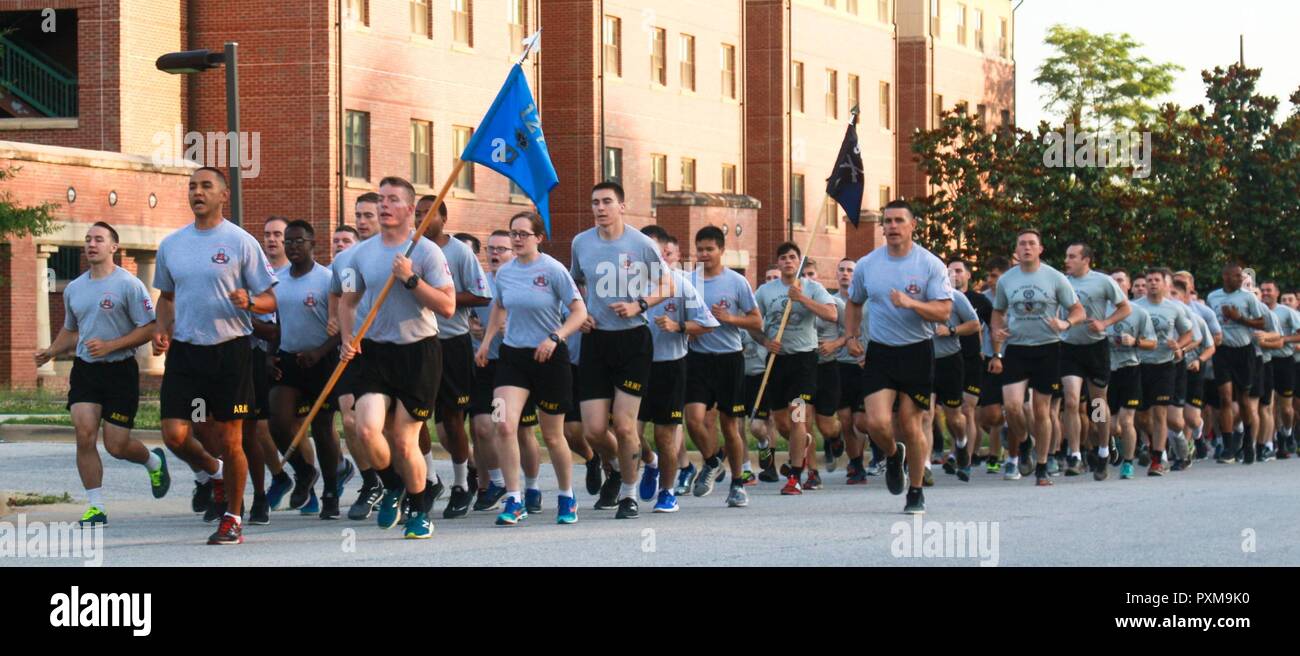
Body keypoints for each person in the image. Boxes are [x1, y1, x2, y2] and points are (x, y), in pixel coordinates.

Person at [153, 166, 278, 545]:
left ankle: (233, 518)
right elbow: (166, 297)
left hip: (230, 352)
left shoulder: (241, 242)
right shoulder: (172, 245)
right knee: (176, 434)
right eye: (192, 186)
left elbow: (272, 297)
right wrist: (161, 328)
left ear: (224, 195)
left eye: (206, 186)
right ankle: (214, 471)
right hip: (188, 354)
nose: (197, 192)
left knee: (230, 438)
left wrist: (251, 301)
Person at [338, 176, 456, 539]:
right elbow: (347, 300)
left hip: (419, 352)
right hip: (375, 352)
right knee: (365, 428)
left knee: (405, 441)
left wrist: (409, 279)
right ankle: (392, 485)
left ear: (409, 209)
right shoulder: (361, 252)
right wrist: (347, 337)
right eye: (382, 199)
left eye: (393, 199)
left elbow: (448, 306)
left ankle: (420, 509)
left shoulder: (425, 252)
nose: (384, 205)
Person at [36, 222, 169, 526]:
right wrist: (52, 351)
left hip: (120, 370)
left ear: (113, 247)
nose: (91, 244)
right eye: (87, 239)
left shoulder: (129, 285)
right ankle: (96, 506)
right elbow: (72, 331)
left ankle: (152, 461)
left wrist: (111, 345)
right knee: (84, 434)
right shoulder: (74, 288)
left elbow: (149, 328)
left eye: (99, 239)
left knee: (116, 445)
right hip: (86, 371)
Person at [569, 182, 675, 519]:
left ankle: (629, 494)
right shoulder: (581, 242)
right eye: (595, 202)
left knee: (626, 427)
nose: (600, 208)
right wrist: (580, 314)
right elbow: (574, 284)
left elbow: (668, 285)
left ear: (622, 206)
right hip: (596, 341)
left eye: (607, 202)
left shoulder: (641, 244)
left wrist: (639, 304)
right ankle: (617, 468)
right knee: (594, 430)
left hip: (632, 341)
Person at [475, 212, 588, 525]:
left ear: (539, 237)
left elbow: (579, 312)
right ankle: (514, 499)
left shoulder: (553, 270)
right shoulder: (505, 273)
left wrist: (556, 337)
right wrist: (486, 342)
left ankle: (567, 496)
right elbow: (498, 305)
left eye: (525, 233)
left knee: (553, 436)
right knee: (502, 423)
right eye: (514, 233)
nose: (518, 239)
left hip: (550, 358)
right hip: (513, 357)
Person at [844, 200, 953, 513]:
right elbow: (854, 303)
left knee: (910, 423)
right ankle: (893, 455)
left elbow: (944, 310)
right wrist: (852, 337)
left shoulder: (930, 264)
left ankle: (916, 491)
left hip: (917, 351)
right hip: (880, 351)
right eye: (887, 221)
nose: (892, 227)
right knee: (875, 422)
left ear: (912, 225)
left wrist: (911, 304)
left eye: (898, 221)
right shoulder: (868, 264)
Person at [988, 228, 1085, 486]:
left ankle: (1042, 465)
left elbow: (1078, 310)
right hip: (1017, 348)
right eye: (1022, 244)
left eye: (1032, 243)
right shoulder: (1007, 280)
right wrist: (997, 333)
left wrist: (1066, 324)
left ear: (1040, 249)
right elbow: (997, 312)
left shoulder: (1055, 278)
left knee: (1042, 411)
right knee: (1012, 407)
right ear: (1016, 250)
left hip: (1048, 348)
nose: (1027, 248)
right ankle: (1025, 442)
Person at [417, 195, 492, 518]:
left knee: (451, 419)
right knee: (413, 416)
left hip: (452, 342)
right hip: (417, 343)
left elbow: (481, 294)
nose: (421, 219)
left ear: (443, 218)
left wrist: (439, 296)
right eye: (417, 213)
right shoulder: (409, 249)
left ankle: (462, 484)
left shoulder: (459, 252)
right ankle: (430, 478)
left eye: (427, 213)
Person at [265, 220, 344, 518]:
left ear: (313, 244)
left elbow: (343, 326)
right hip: (289, 359)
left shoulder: (327, 279)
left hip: (322, 361)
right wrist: (269, 356)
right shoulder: (277, 280)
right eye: (289, 241)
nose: (293, 246)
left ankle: (332, 492)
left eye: (299, 241)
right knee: (278, 421)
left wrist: (320, 351)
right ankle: (304, 470)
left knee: (323, 428)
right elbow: (277, 324)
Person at [682, 225, 762, 507]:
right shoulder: (688, 281)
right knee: (693, 418)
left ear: (721, 251)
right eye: (700, 249)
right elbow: (681, 314)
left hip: (729, 358)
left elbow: (756, 321)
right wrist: (687, 328)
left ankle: (738, 484)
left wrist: (729, 319)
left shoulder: (737, 283)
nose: (704, 254)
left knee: (730, 425)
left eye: (709, 249)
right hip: (697, 357)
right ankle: (713, 459)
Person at [753, 242, 839, 497]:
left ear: (799, 262)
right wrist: (764, 340)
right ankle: (802, 443)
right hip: (777, 360)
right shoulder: (765, 291)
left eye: (792, 257)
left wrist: (801, 298)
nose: (788, 261)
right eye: (783, 258)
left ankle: (795, 477)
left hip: (804, 361)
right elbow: (752, 322)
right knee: (781, 422)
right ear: (778, 263)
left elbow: (831, 314)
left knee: (798, 414)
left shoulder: (812, 288)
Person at [331, 193, 384, 520]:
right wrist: (340, 329)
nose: (363, 221)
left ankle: (410, 480)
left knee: (390, 426)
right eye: (359, 215)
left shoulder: (394, 254)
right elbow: (338, 294)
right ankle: (371, 480)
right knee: (350, 419)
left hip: (389, 346)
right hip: (356, 348)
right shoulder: (345, 259)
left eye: (369, 215)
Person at [1059, 242, 1130, 476]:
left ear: (1086, 260)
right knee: (1070, 401)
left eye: (1072, 257)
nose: (1067, 261)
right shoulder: (1062, 281)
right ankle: (1075, 455)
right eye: (1066, 256)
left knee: (1098, 405)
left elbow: (1124, 308)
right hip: (1070, 347)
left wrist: (1105, 323)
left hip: (1095, 347)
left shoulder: (1103, 281)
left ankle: (1102, 450)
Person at [1206, 263, 1267, 464]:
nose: (1241, 278)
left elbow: (1261, 323)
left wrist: (1239, 318)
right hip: (1222, 351)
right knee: (1224, 398)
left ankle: (1248, 442)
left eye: (1241, 275)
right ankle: (1229, 446)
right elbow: (1209, 322)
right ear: (1225, 276)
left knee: (1243, 400)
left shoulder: (1248, 297)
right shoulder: (1213, 297)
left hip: (1244, 351)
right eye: (1236, 275)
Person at [1106, 270, 1156, 479]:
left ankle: (1128, 463)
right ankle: (1111, 444)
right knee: (1105, 422)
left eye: (1120, 281)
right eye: (1113, 281)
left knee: (1127, 421)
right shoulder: (1101, 311)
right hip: (1106, 371)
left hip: (1130, 369)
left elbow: (1152, 343)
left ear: (1128, 286)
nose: (1117, 284)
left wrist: (1134, 342)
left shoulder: (1139, 312)